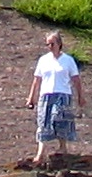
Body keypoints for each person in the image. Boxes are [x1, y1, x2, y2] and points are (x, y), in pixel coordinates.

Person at [30, 30, 83, 164]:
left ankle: (63, 148)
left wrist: (80, 96)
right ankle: (40, 153)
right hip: (46, 94)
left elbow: (76, 79)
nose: (50, 46)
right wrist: (31, 98)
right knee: (44, 123)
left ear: (59, 43)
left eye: (52, 43)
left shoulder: (68, 60)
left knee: (60, 120)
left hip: (63, 93)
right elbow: (37, 80)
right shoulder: (43, 60)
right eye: (47, 44)